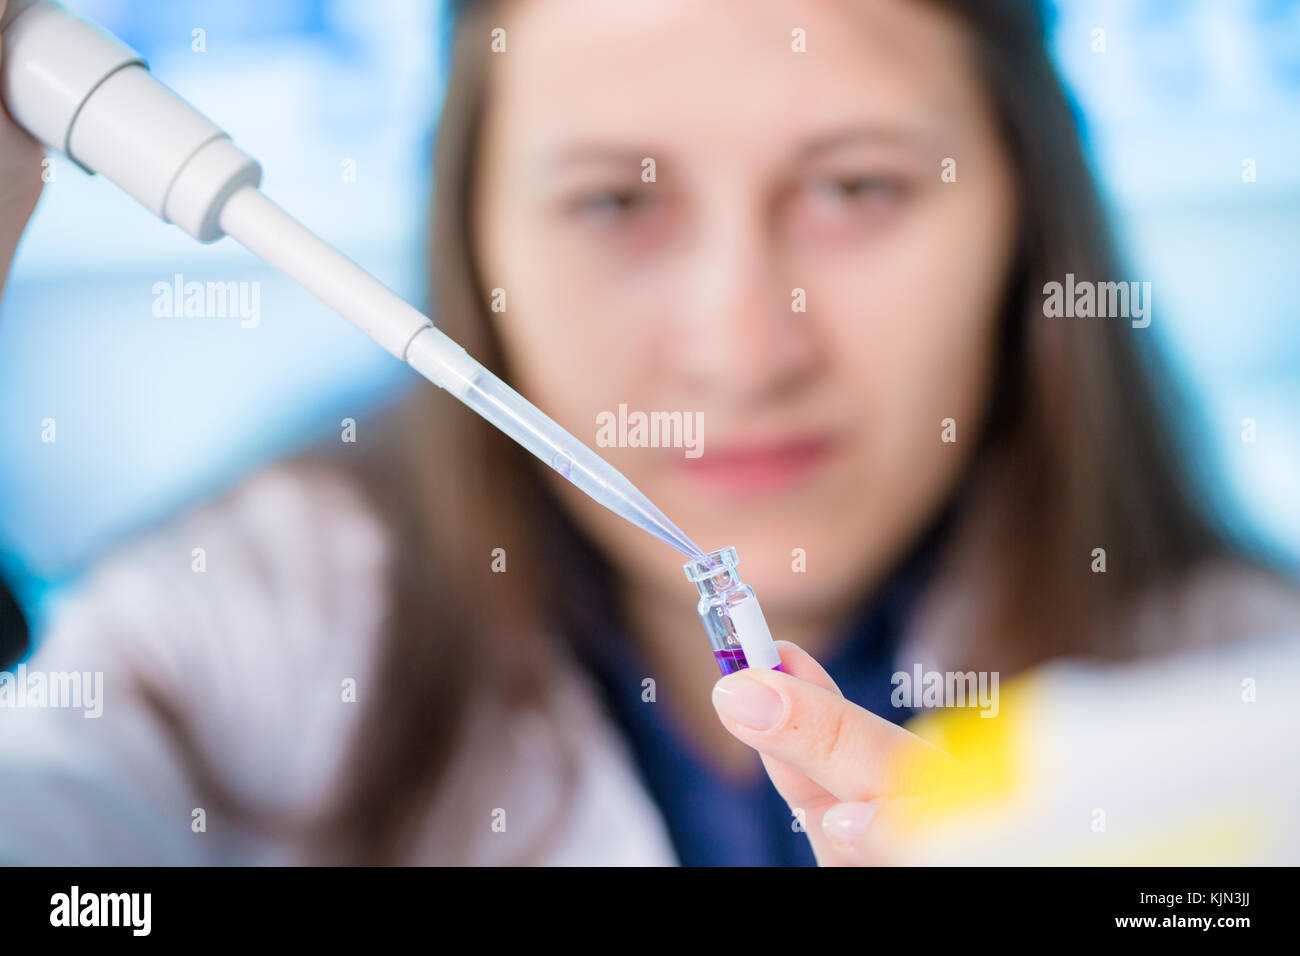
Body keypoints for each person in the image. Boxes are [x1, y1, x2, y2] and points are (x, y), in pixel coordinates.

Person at [0, 0, 1295, 866]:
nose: (740, 349)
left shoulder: (1254, 707)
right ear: (473, 241)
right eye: (616, 201)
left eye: (857, 188)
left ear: (1028, 217)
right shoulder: (222, 643)